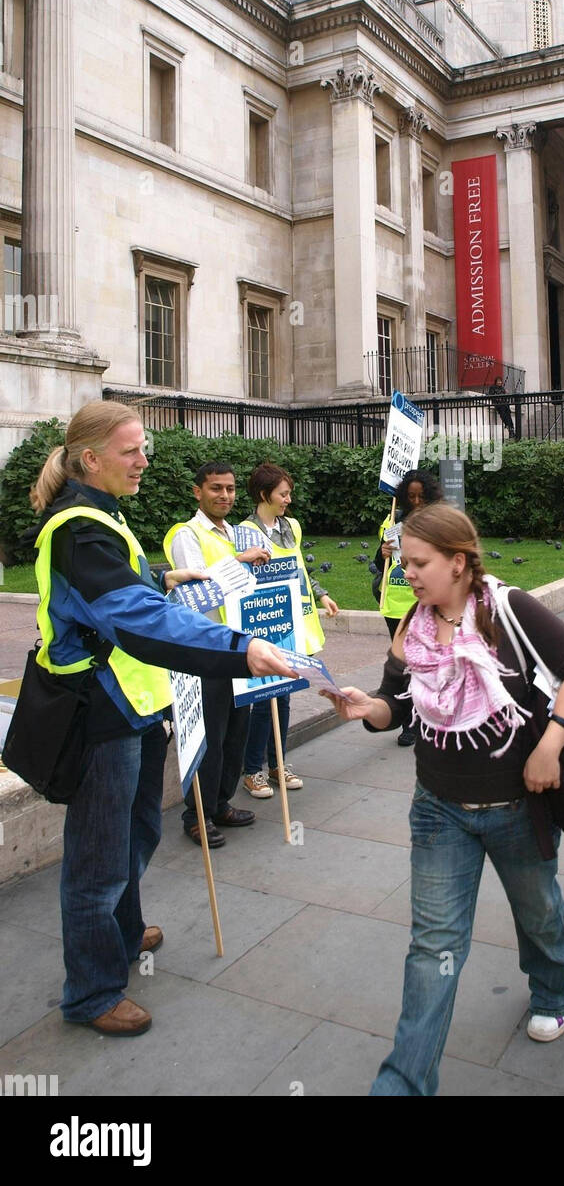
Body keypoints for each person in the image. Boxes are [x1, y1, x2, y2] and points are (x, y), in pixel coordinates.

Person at [28, 401, 300, 1036]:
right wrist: (241, 649)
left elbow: (125, 584)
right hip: (99, 716)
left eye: (143, 448)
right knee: (97, 859)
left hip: (136, 708)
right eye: (131, 452)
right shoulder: (76, 528)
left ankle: (122, 932)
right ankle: (92, 992)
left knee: (138, 831)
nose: (144, 460)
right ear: (90, 459)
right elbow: (133, 617)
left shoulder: (99, 517)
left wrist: (168, 573)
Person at [328, 502, 564, 1096]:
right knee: (432, 948)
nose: (408, 575)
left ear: (459, 562)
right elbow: (395, 704)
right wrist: (365, 709)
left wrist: (549, 748)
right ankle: (403, 1083)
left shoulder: (508, 610)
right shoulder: (412, 626)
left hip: (516, 806)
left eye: (419, 563)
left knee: (538, 911)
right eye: (403, 564)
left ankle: (556, 988)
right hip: (438, 810)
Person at [163, 463, 273, 846]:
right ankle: (197, 814)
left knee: (234, 732)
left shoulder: (239, 534)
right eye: (215, 489)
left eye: (229, 489)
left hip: (240, 647)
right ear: (197, 492)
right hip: (204, 651)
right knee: (207, 736)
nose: (224, 496)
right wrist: (241, 563)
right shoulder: (185, 534)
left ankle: (221, 802)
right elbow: (197, 588)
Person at [239, 462, 339, 797]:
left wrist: (321, 594)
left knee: (282, 698)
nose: (288, 500)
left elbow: (298, 568)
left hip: (293, 622)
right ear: (265, 494)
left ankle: (276, 764)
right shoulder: (245, 531)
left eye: (289, 493)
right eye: (283, 494)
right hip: (264, 623)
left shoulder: (291, 526)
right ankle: (252, 769)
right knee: (265, 697)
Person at [374, 468, 444, 747]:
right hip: (395, 605)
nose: (416, 502)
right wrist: (384, 554)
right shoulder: (393, 521)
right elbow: (379, 566)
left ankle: (430, 715)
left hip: (426, 603)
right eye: (411, 496)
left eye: (421, 496)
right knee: (403, 665)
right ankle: (410, 722)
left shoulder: (438, 523)